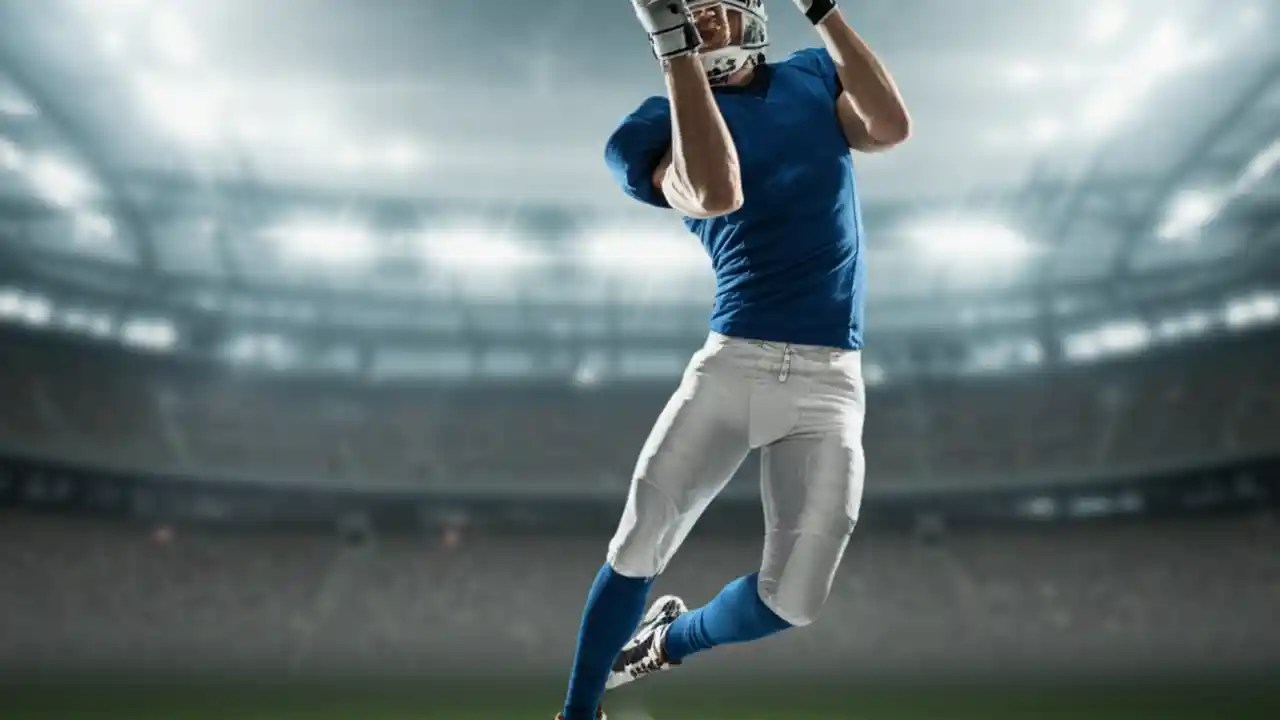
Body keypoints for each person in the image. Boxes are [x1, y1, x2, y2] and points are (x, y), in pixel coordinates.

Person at [557, 1, 910, 718]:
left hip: (832, 379)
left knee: (795, 601)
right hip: (735, 363)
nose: (705, 24)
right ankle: (577, 712)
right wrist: (675, 54)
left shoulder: (812, 74)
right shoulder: (650, 126)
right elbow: (717, 191)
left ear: (753, 16)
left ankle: (669, 642)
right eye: (691, 15)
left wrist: (824, 10)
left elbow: (890, 127)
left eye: (717, 11)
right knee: (639, 542)